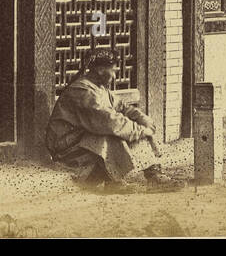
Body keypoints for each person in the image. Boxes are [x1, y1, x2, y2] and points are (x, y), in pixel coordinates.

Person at [46, 49, 177, 190]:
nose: (114, 75)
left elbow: (123, 107)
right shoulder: (82, 91)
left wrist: (143, 120)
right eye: (113, 71)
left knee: (127, 131)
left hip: (84, 142)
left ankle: (154, 175)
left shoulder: (100, 89)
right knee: (113, 135)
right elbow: (110, 121)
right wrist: (140, 130)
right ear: (101, 70)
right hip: (67, 149)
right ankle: (115, 182)